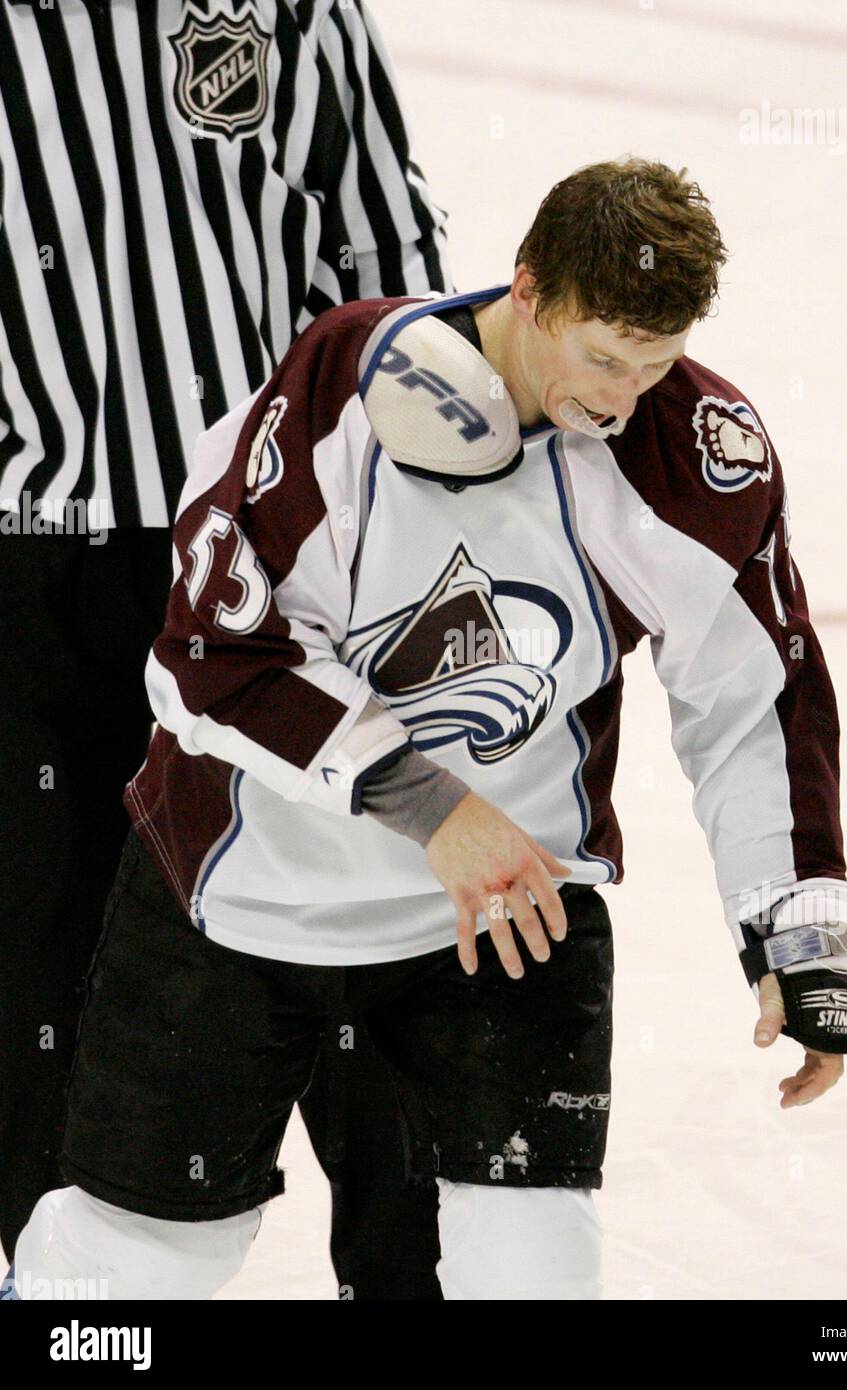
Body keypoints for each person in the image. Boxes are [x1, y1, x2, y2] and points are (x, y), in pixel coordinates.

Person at [12, 157, 847, 1301]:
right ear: (528, 288)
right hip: (249, 892)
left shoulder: (695, 456)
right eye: (601, 357)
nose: (622, 399)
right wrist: (431, 807)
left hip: (510, 911)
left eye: (654, 361)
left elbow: (753, 699)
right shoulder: (345, 384)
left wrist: (796, 939)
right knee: (143, 1264)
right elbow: (213, 652)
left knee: (532, 1268)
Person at [0, 0, 451, 1299]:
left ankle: (412, 1280)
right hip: (29, 566)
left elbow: (380, 245)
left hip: (274, 547)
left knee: (365, 925)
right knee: (45, 954)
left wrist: (396, 495)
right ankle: (73, 1305)